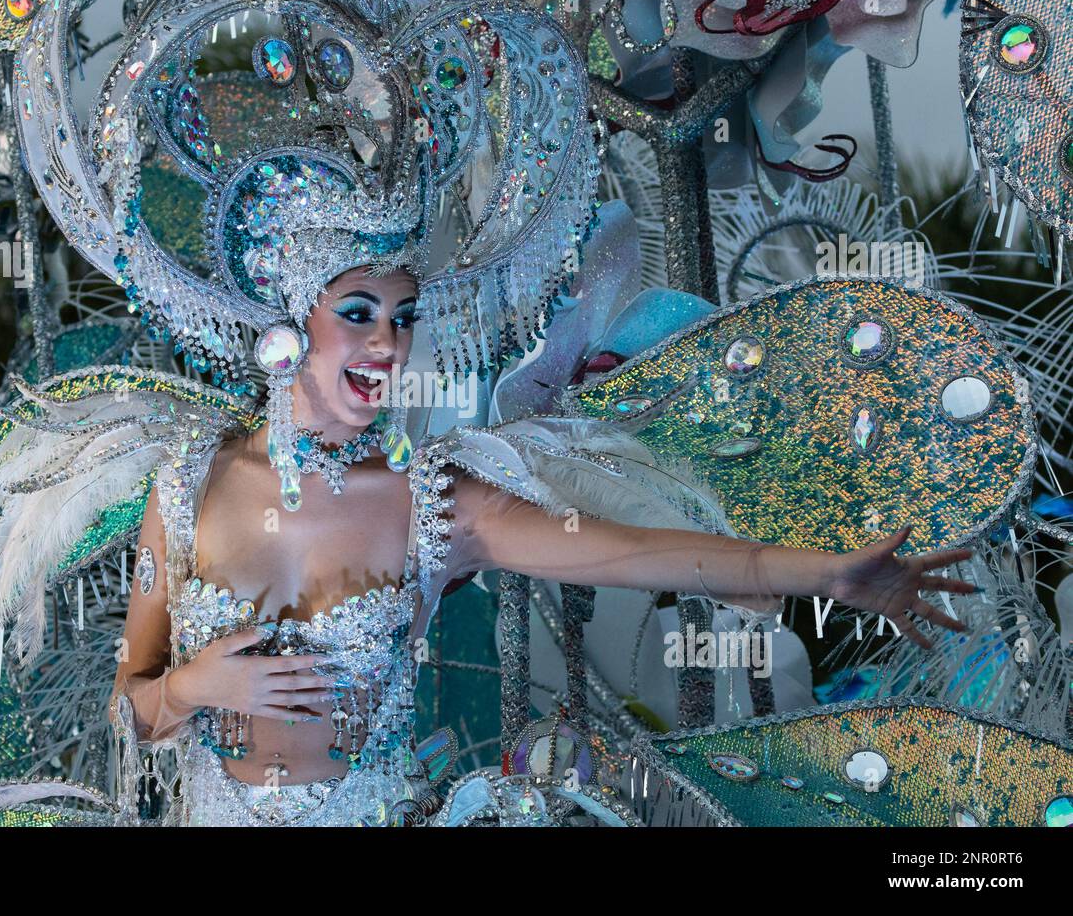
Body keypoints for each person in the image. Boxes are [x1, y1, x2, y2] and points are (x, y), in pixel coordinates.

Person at [107, 262, 974, 826]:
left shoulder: (437, 501)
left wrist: (829, 575)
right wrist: (193, 684)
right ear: (287, 317)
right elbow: (130, 710)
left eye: (404, 318)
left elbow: (635, 550)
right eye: (360, 313)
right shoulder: (188, 479)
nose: (387, 344)